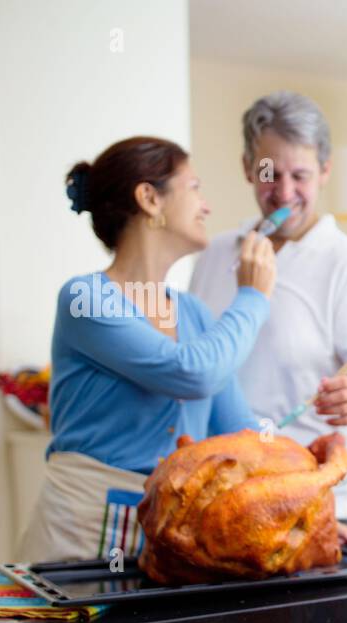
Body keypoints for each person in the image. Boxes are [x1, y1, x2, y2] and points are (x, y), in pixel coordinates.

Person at [17, 136, 277, 564]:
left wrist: (313, 500)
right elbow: (192, 373)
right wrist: (252, 298)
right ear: (149, 198)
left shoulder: (193, 314)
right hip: (77, 534)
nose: (206, 205)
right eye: (194, 187)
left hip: (166, 535)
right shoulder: (85, 298)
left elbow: (241, 435)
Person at [190, 92, 347, 549]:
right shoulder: (212, 255)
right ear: (248, 167)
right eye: (270, 174)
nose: (284, 193)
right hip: (220, 506)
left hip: (315, 509)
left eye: (300, 175)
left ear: (325, 171)